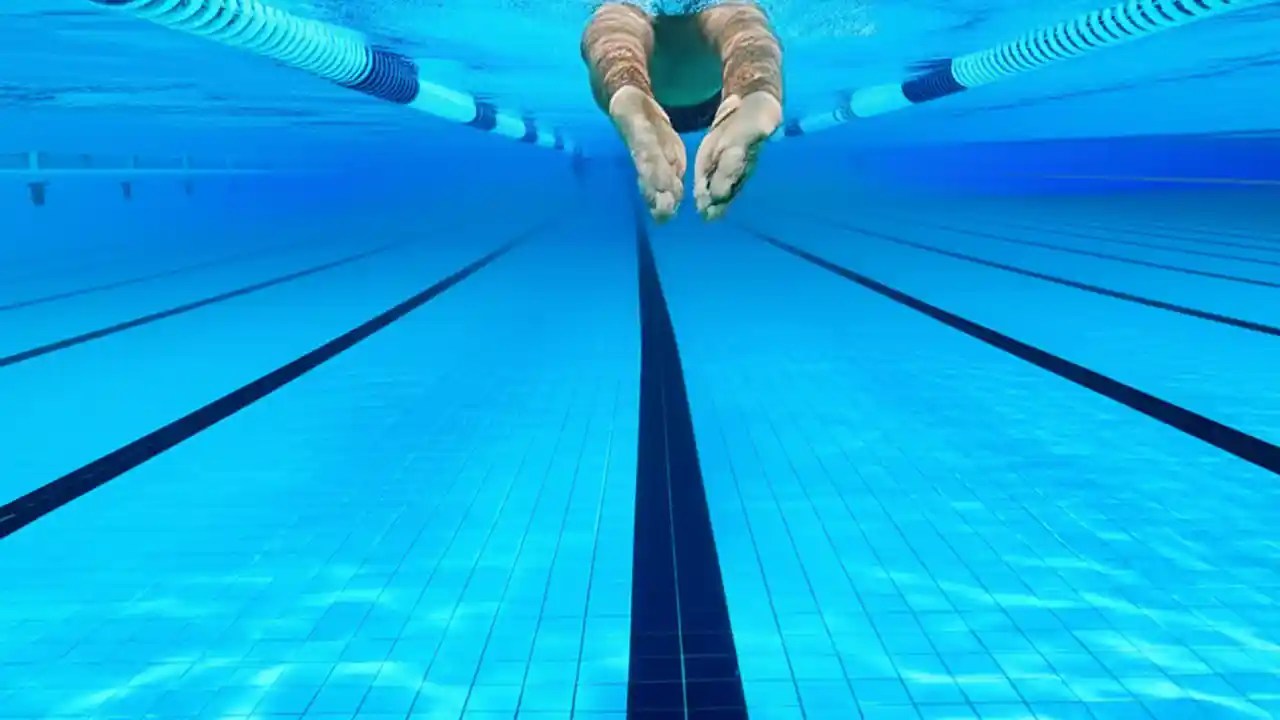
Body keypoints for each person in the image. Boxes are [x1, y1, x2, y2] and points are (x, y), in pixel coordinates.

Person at [581, 1, 783, 222]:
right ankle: (754, 95)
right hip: (715, 100)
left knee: (618, 14)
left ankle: (627, 96)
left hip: (696, 100)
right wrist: (759, 90)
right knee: (732, 14)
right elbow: (746, 27)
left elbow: (611, 29)